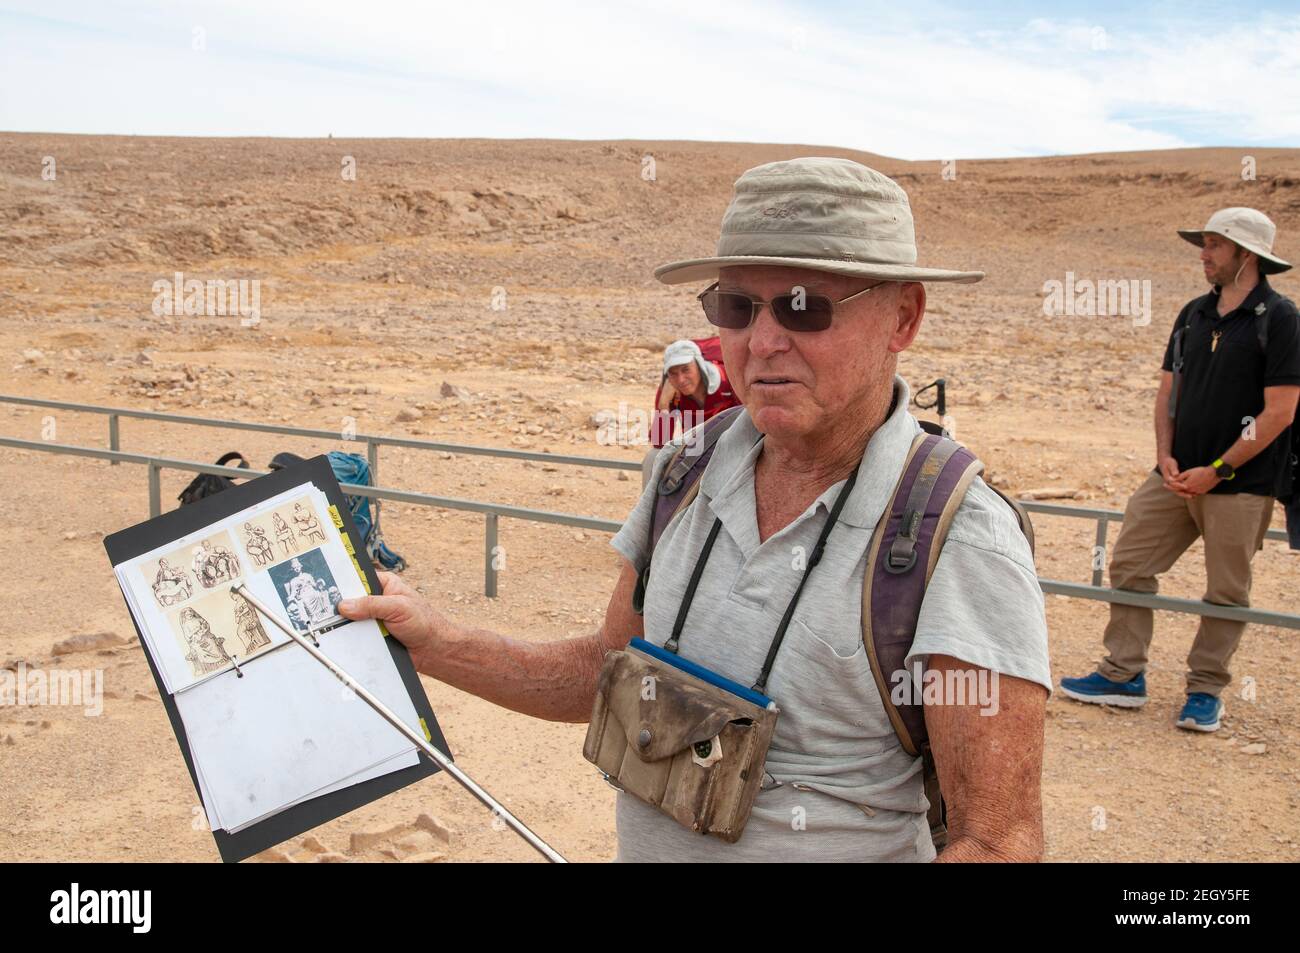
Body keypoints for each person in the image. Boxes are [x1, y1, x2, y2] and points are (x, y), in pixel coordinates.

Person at [340, 157, 1051, 862]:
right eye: (736, 307)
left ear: (904, 317)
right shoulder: (688, 466)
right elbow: (607, 674)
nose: (762, 340)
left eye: (805, 306)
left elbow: (997, 842)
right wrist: (433, 641)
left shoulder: (956, 533)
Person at [1061, 207, 1300, 732]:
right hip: (1171, 476)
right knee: (1129, 563)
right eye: (1206, 243)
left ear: (1247, 255)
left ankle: (1205, 690)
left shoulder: (1280, 319)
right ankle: (1123, 674)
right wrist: (1165, 456)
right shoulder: (1193, 313)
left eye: (1215, 244)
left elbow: (1280, 410)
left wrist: (1217, 469)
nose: (1204, 254)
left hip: (1240, 485)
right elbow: (1169, 390)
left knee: (1226, 591)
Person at [648, 338, 741, 448]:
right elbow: (659, 443)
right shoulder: (670, 391)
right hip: (697, 450)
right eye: (673, 373)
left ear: (699, 365)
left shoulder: (728, 379)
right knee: (652, 458)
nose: (681, 380)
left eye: (686, 370)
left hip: (734, 446)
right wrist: (663, 406)